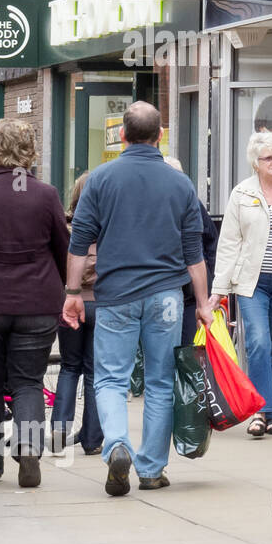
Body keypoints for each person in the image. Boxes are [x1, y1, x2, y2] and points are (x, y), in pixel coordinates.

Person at [62, 102, 212, 497]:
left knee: (111, 377)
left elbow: (79, 242)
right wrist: (202, 303)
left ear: (122, 136)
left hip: (115, 296)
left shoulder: (100, 179)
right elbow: (193, 251)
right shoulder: (180, 184)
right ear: (160, 135)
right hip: (166, 295)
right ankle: (151, 469)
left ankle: (116, 446)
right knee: (161, 382)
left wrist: (73, 293)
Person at [0, 120, 70, 486]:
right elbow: (63, 249)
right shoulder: (46, 194)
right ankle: (29, 447)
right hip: (37, 302)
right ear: (30, 150)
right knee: (28, 381)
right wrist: (67, 292)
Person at [208, 133, 272, 437]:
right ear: (256, 162)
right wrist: (219, 290)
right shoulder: (242, 193)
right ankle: (259, 412)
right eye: (268, 158)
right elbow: (228, 244)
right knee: (259, 344)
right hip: (251, 282)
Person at [50, 172, 104, 456]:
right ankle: (93, 439)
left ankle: (59, 430)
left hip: (70, 304)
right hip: (101, 304)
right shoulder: (110, 226)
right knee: (95, 372)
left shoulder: (66, 228)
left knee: (69, 368)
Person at [164, 157, 218, 348]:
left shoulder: (193, 204)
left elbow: (210, 243)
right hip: (170, 290)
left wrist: (208, 282)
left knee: (187, 346)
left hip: (188, 291)